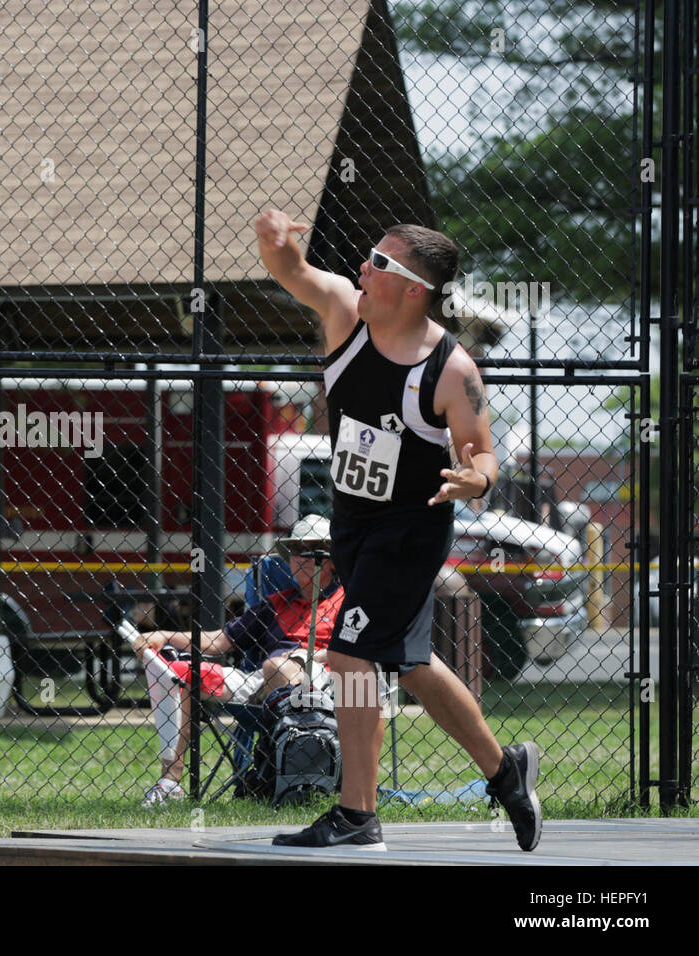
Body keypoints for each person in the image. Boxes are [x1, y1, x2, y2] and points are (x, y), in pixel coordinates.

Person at [252, 209, 540, 851]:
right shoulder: (343, 312)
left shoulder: (451, 368)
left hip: (411, 527)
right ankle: (504, 769)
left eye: (379, 262)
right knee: (408, 663)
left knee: (350, 654)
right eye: (367, 256)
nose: (363, 266)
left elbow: (481, 453)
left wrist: (478, 480)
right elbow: (292, 269)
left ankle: (357, 814)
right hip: (353, 521)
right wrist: (272, 240)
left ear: (414, 289)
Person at [128, 515, 344, 806]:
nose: (299, 556)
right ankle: (170, 781)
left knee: (276, 665)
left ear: (331, 559)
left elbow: (359, 650)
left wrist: (304, 657)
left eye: (311, 548)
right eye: (294, 549)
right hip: (265, 682)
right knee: (183, 674)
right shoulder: (275, 604)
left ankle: (281, 769)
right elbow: (219, 641)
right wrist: (163, 636)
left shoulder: (347, 600)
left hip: (328, 684)